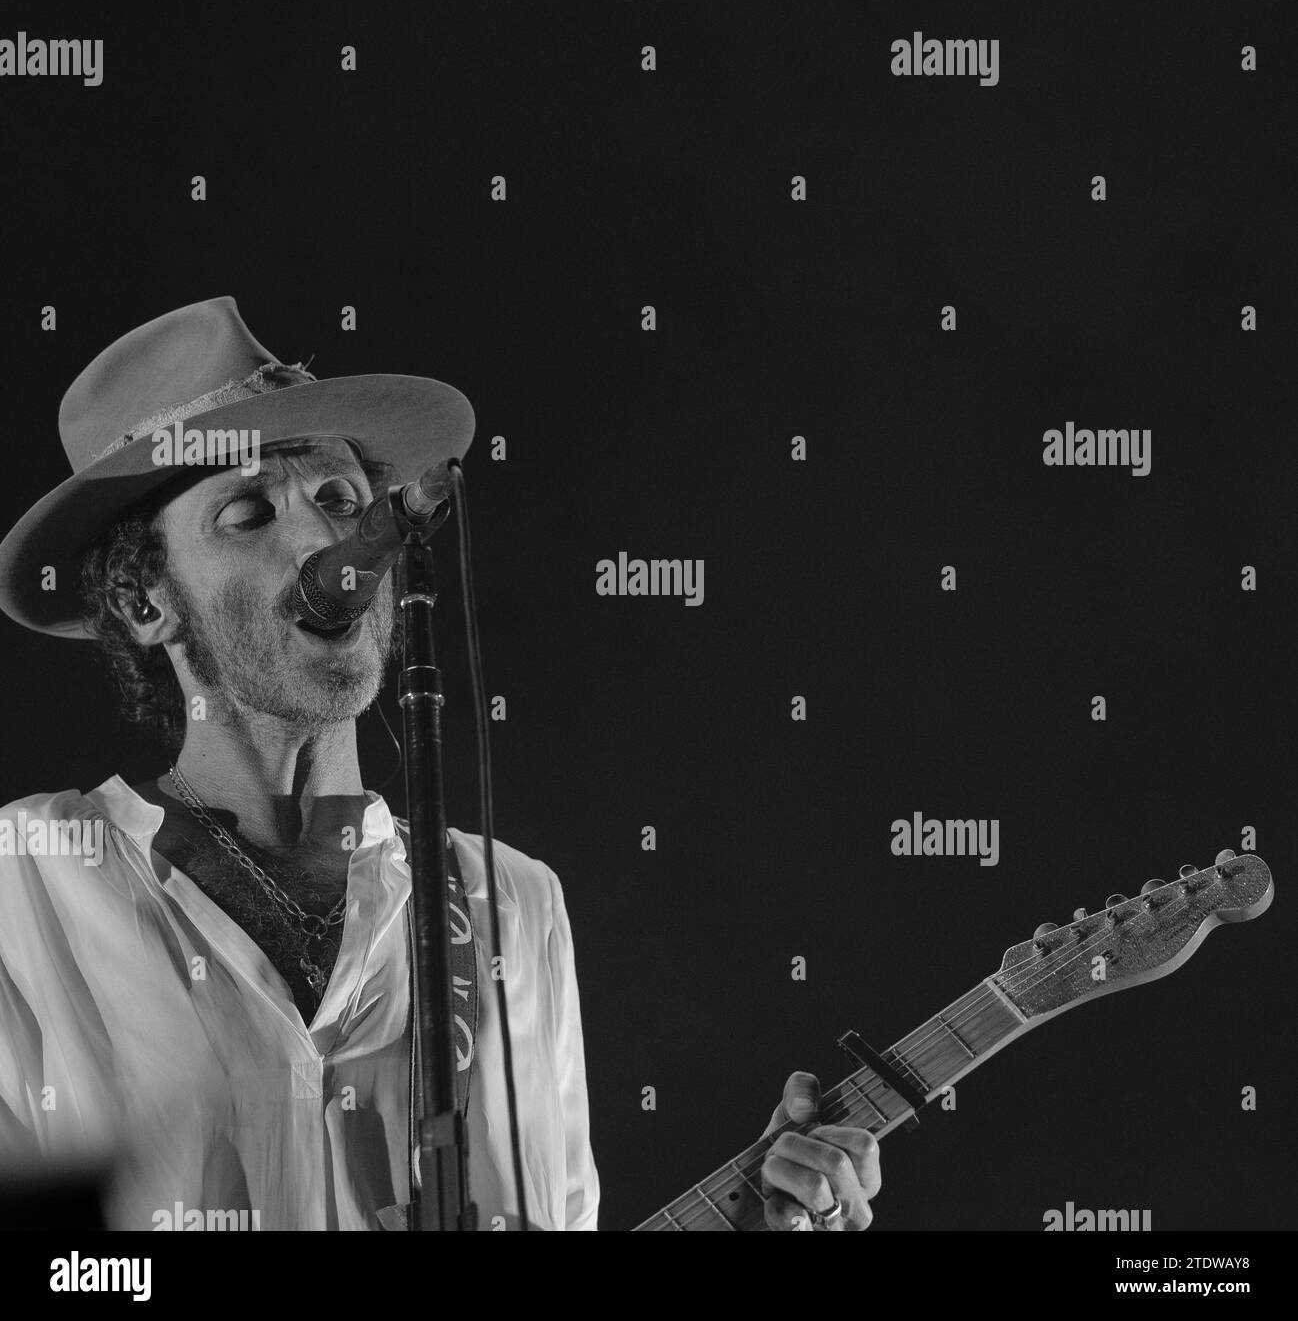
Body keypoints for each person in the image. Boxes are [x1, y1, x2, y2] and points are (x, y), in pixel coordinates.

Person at [0, 296, 880, 1230]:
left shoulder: (512, 903)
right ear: (145, 603)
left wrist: (749, 1219)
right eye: (248, 514)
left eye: (339, 501)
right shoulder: (28, 885)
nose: (322, 546)